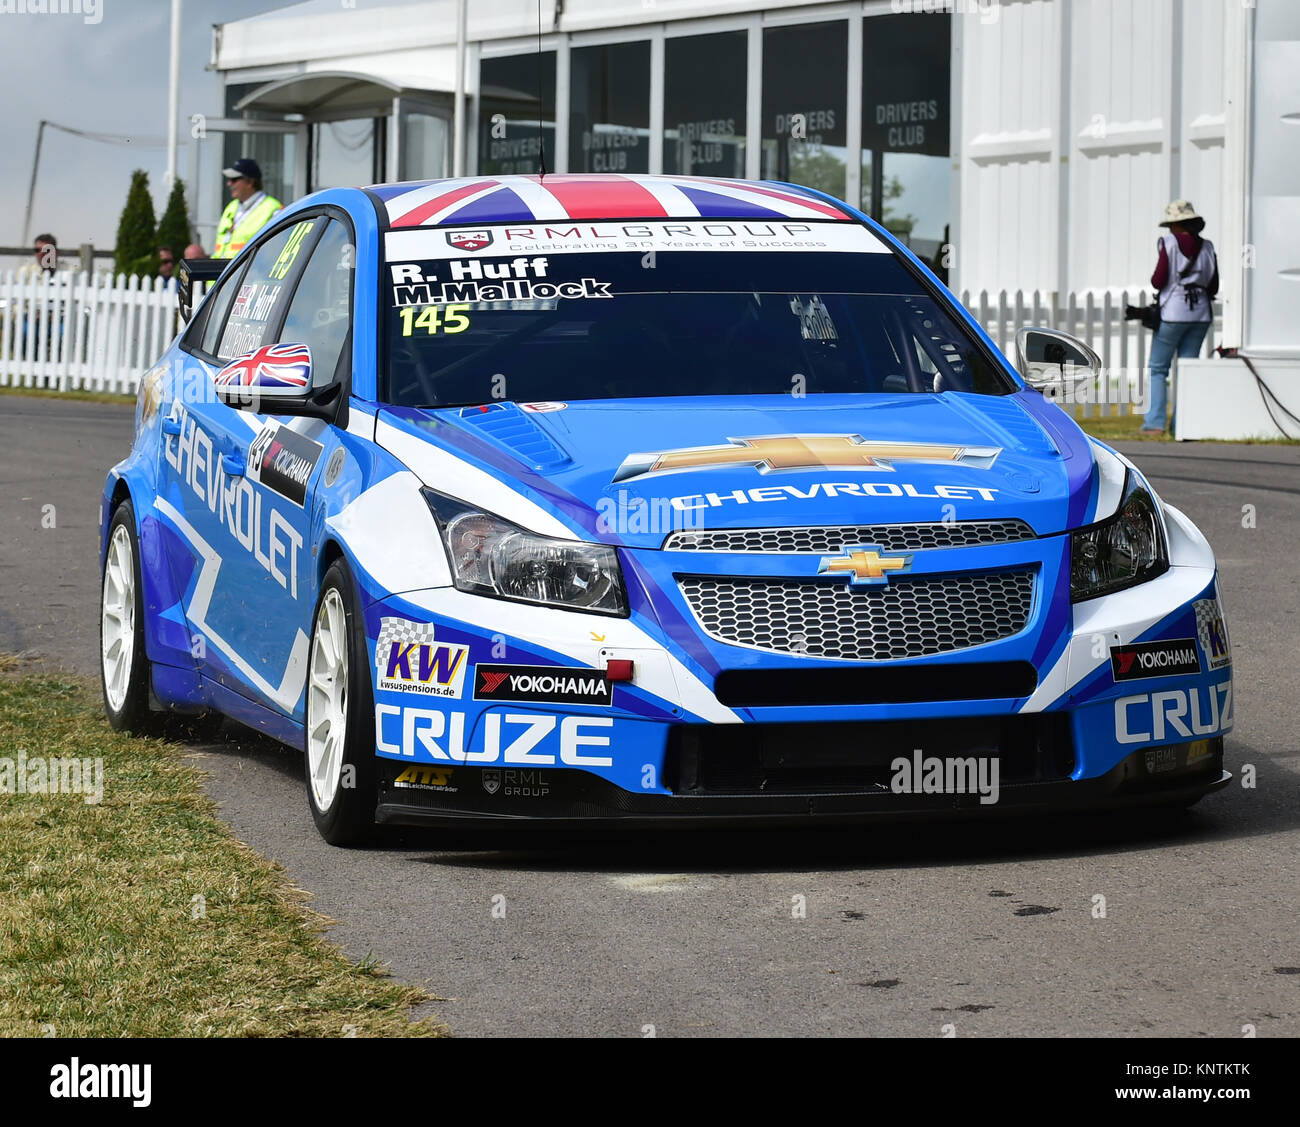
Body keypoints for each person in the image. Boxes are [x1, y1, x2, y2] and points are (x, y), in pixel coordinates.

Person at [1142, 200, 1218, 435]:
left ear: (1175, 225)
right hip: (1201, 314)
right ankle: (1181, 425)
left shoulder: (1170, 243)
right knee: (1186, 370)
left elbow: (1158, 280)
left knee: (1158, 369)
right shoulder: (1207, 246)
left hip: (1173, 312)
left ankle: (1155, 423)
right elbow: (1213, 285)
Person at [212, 158, 282, 259]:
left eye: (234, 180)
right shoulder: (231, 207)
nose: (229, 184)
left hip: (251, 274)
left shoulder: (273, 210)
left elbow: (274, 252)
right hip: (221, 272)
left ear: (250, 182)